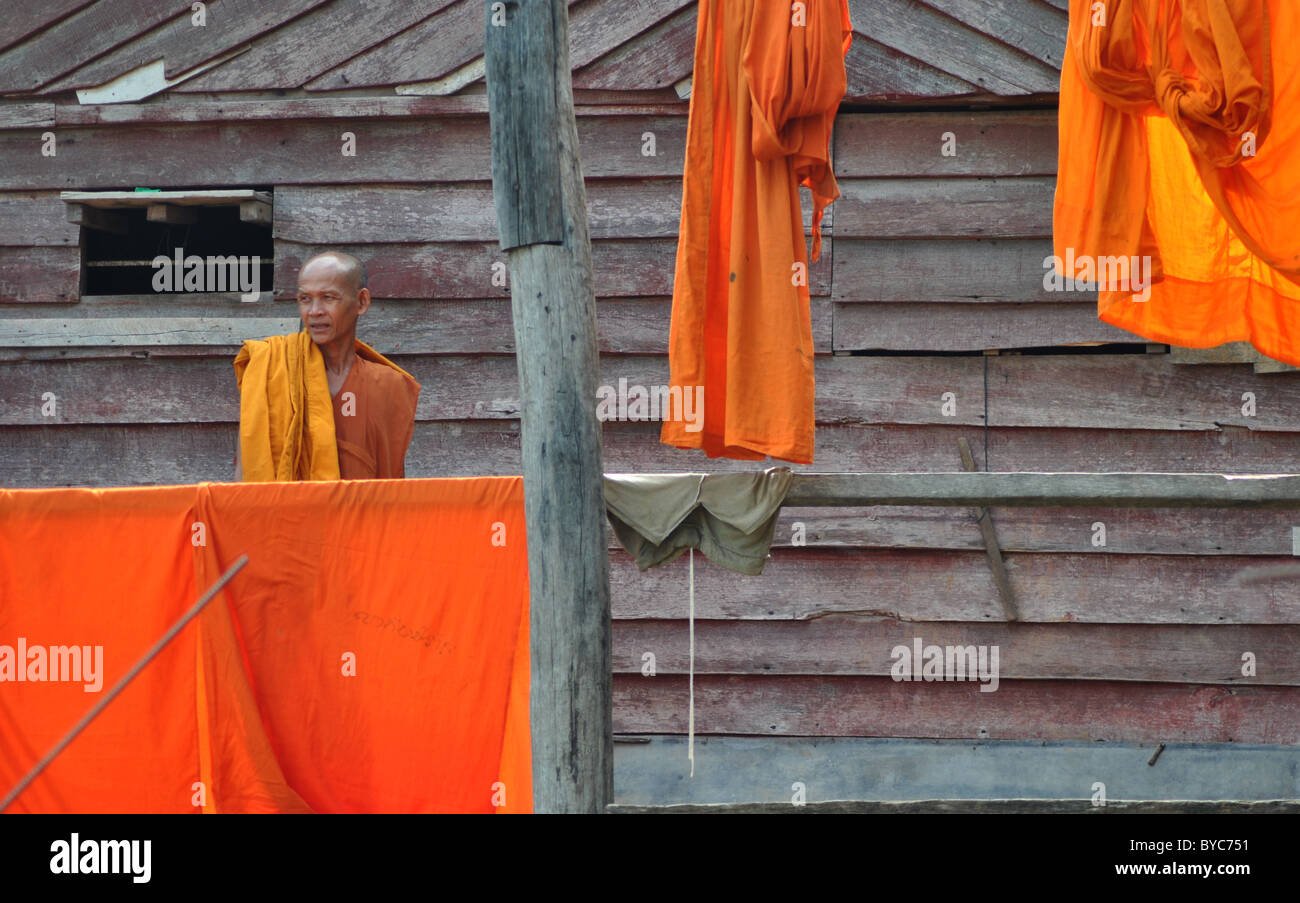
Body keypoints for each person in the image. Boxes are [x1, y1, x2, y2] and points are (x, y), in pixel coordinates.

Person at [233, 251, 420, 481]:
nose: (314, 311)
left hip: (359, 516)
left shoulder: (387, 385)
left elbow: (391, 483)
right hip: (284, 516)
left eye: (328, 298)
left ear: (361, 302)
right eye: (305, 299)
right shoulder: (270, 369)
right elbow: (246, 474)